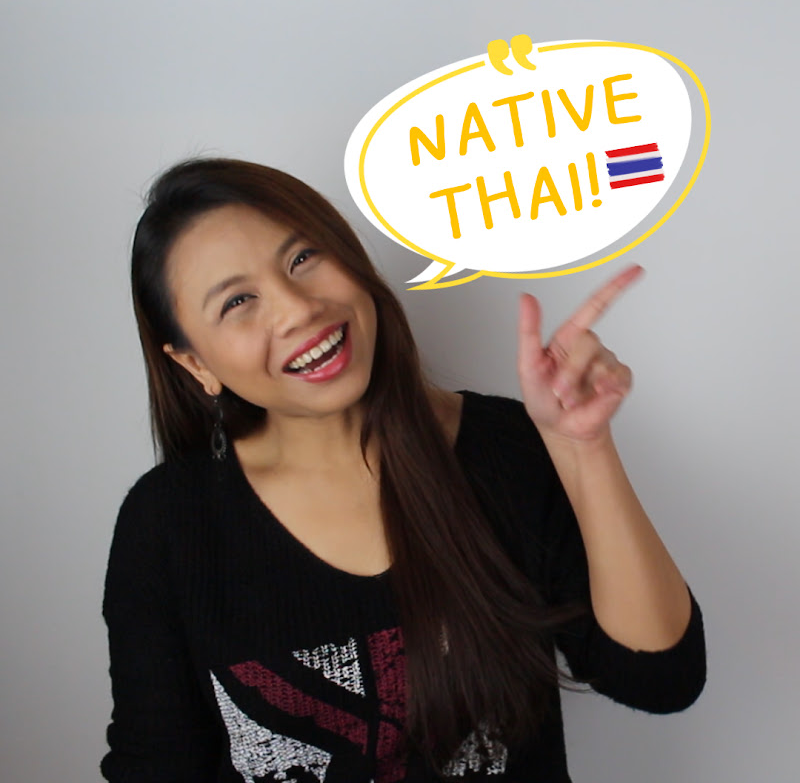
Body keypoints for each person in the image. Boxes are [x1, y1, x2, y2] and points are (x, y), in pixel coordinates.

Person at [101, 157, 706, 783]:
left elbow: (662, 679)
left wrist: (582, 446)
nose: (297, 309)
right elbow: (154, 767)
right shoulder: (168, 524)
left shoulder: (504, 448)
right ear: (195, 364)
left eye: (303, 258)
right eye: (238, 301)